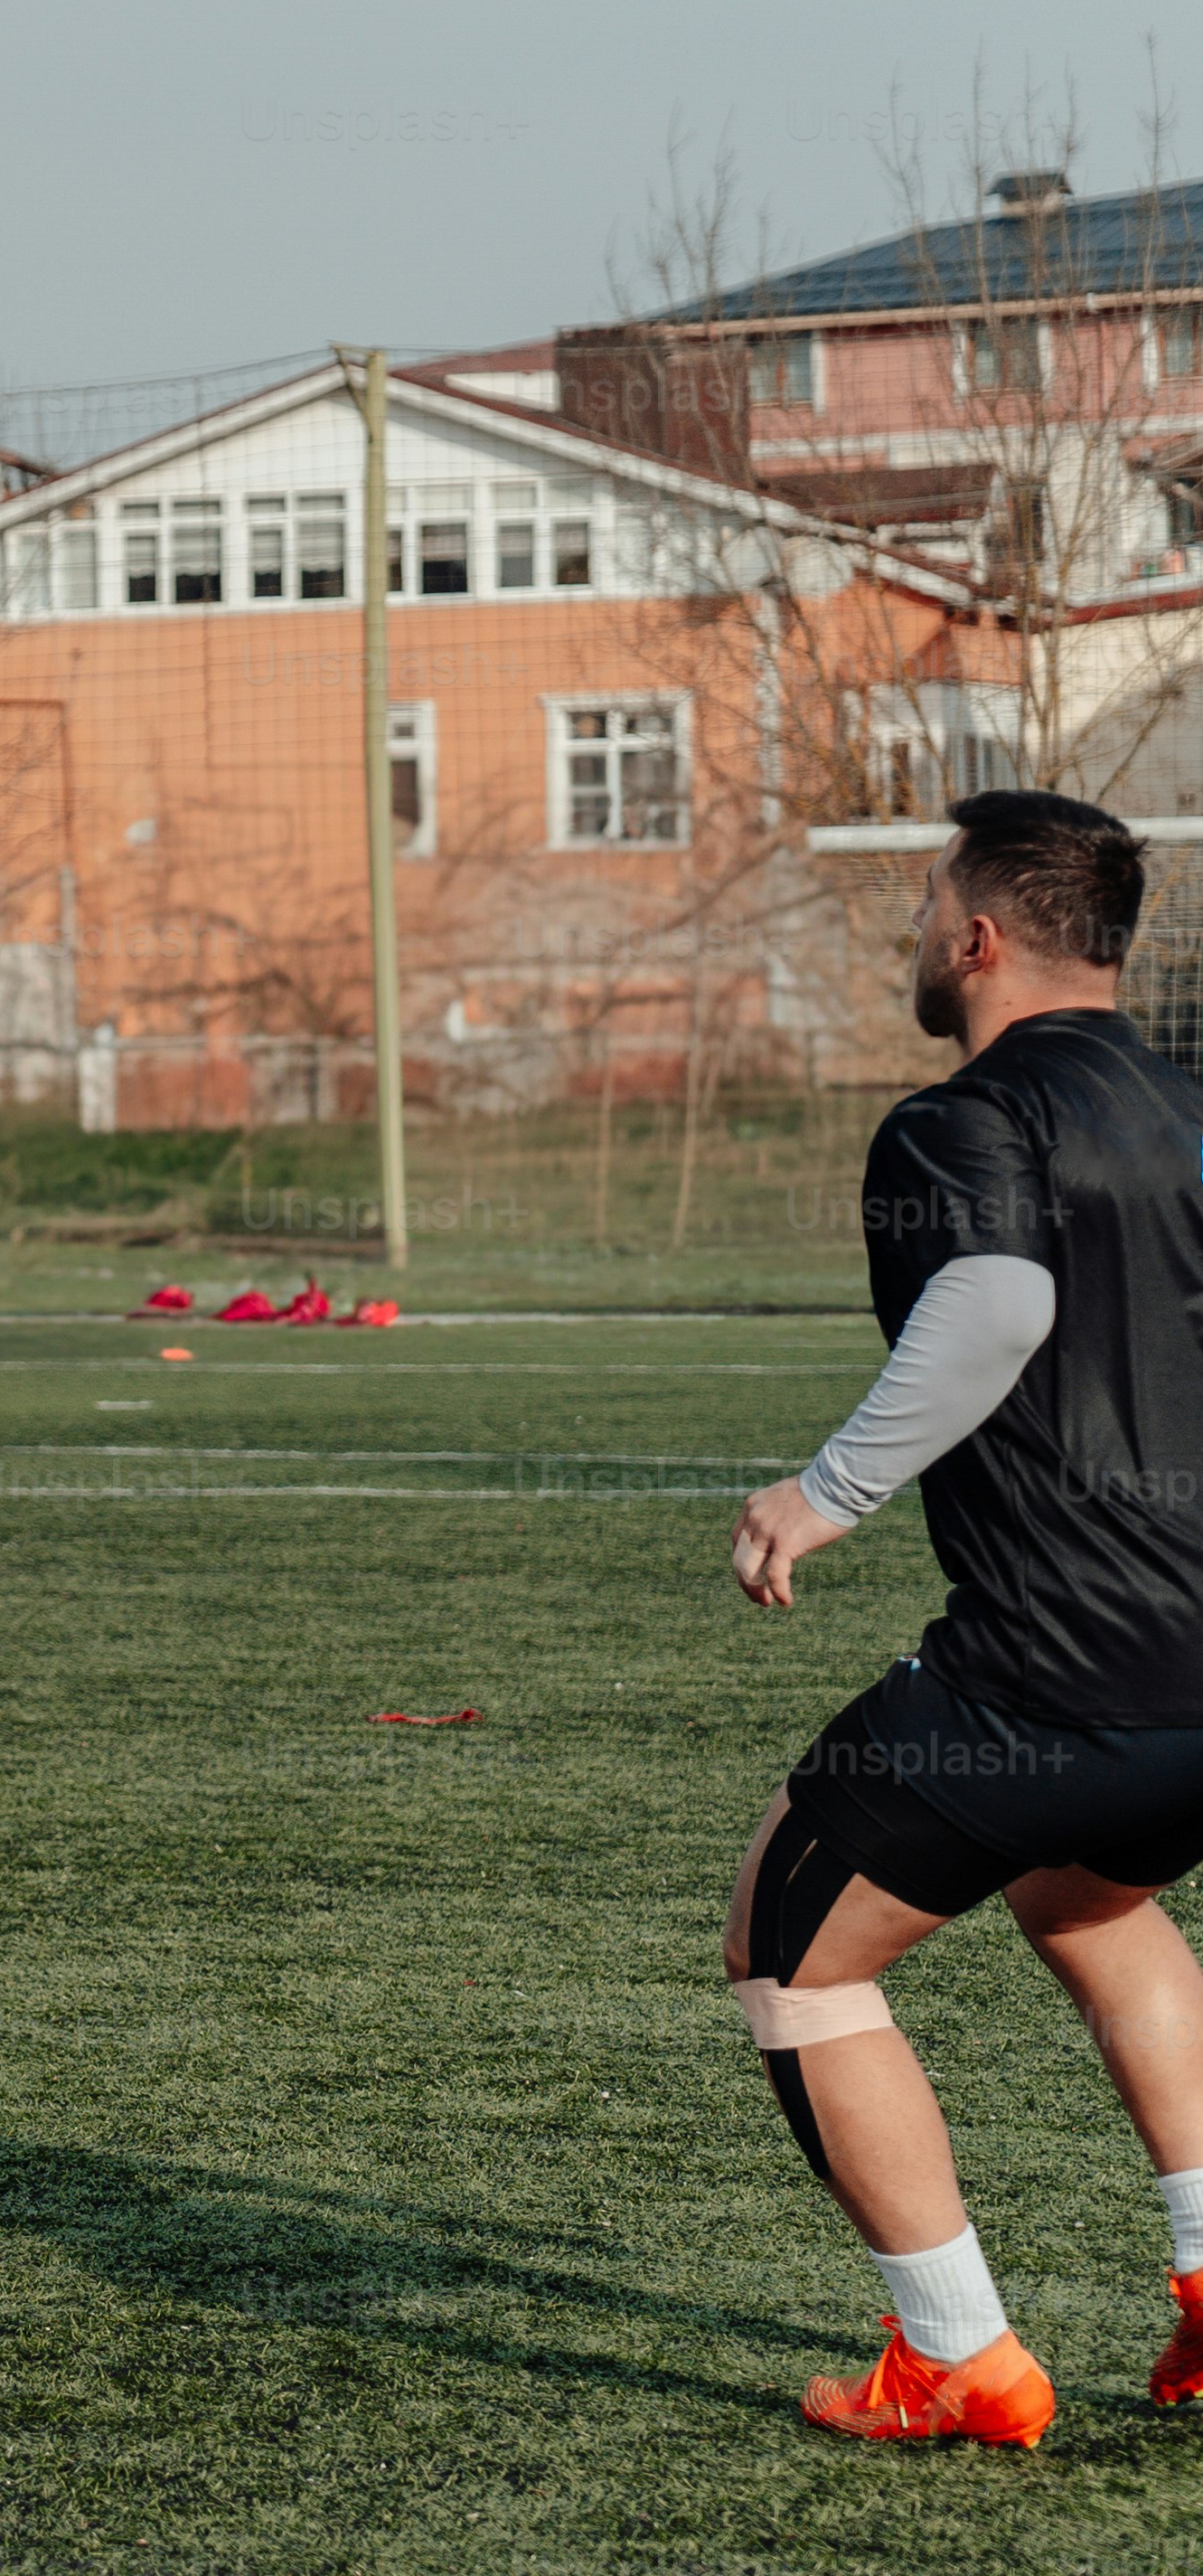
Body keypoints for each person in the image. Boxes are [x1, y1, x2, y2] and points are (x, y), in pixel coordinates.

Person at [722, 789, 1203, 2445]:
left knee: (789, 1956)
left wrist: (826, 1493)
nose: (919, 929)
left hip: (1058, 1674)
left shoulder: (964, 1122)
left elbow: (1000, 1299)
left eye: (930, 901)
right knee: (1086, 1903)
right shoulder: (1196, 1104)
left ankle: (954, 2357)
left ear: (980, 936)